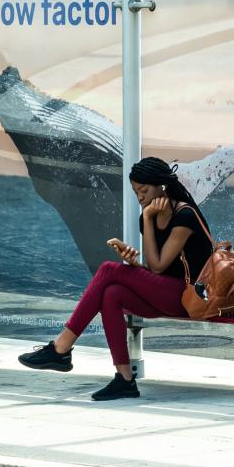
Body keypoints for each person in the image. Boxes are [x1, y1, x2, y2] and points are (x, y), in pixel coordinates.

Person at [17, 157, 212, 401]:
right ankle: (124, 380)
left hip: (190, 298)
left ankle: (61, 348)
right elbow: (156, 270)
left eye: (144, 190)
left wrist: (149, 220)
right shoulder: (146, 217)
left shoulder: (185, 215)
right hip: (168, 293)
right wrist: (134, 263)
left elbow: (159, 266)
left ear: (162, 186)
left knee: (110, 269)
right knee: (112, 294)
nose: (140, 197)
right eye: (135, 191)